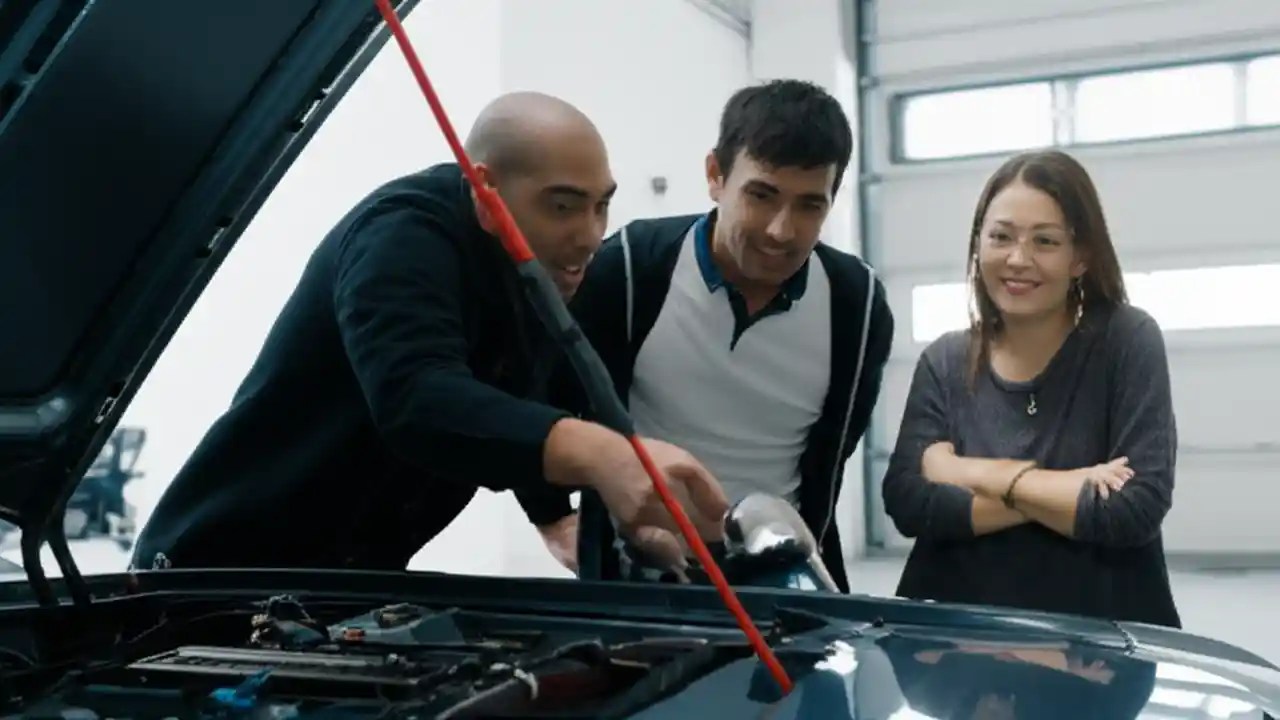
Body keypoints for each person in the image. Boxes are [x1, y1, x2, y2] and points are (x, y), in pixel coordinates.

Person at [132, 91, 729, 573]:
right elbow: (418, 398)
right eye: (564, 206)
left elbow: (517, 393)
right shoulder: (401, 237)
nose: (591, 235)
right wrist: (603, 455)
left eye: (602, 206)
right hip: (213, 580)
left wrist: (553, 516)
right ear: (483, 187)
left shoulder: (538, 271)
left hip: (352, 585)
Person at [518, 79, 894, 593]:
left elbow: (837, 445)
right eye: (761, 196)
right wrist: (551, 517)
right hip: (641, 568)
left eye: (810, 206)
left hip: (784, 567)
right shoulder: (630, 269)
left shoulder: (859, 302)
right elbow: (539, 393)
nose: (781, 231)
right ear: (715, 175)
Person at [880, 149, 1180, 628]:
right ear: (979, 243)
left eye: (1045, 241)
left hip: (1098, 649)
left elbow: (1131, 511)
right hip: (955, 647)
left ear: (1080, 256)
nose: (1018, 259)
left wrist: (966, 471)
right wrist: (1068, 486)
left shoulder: (1126, 340)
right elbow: (909, 502)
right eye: (1001, 237)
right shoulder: (944, 361)